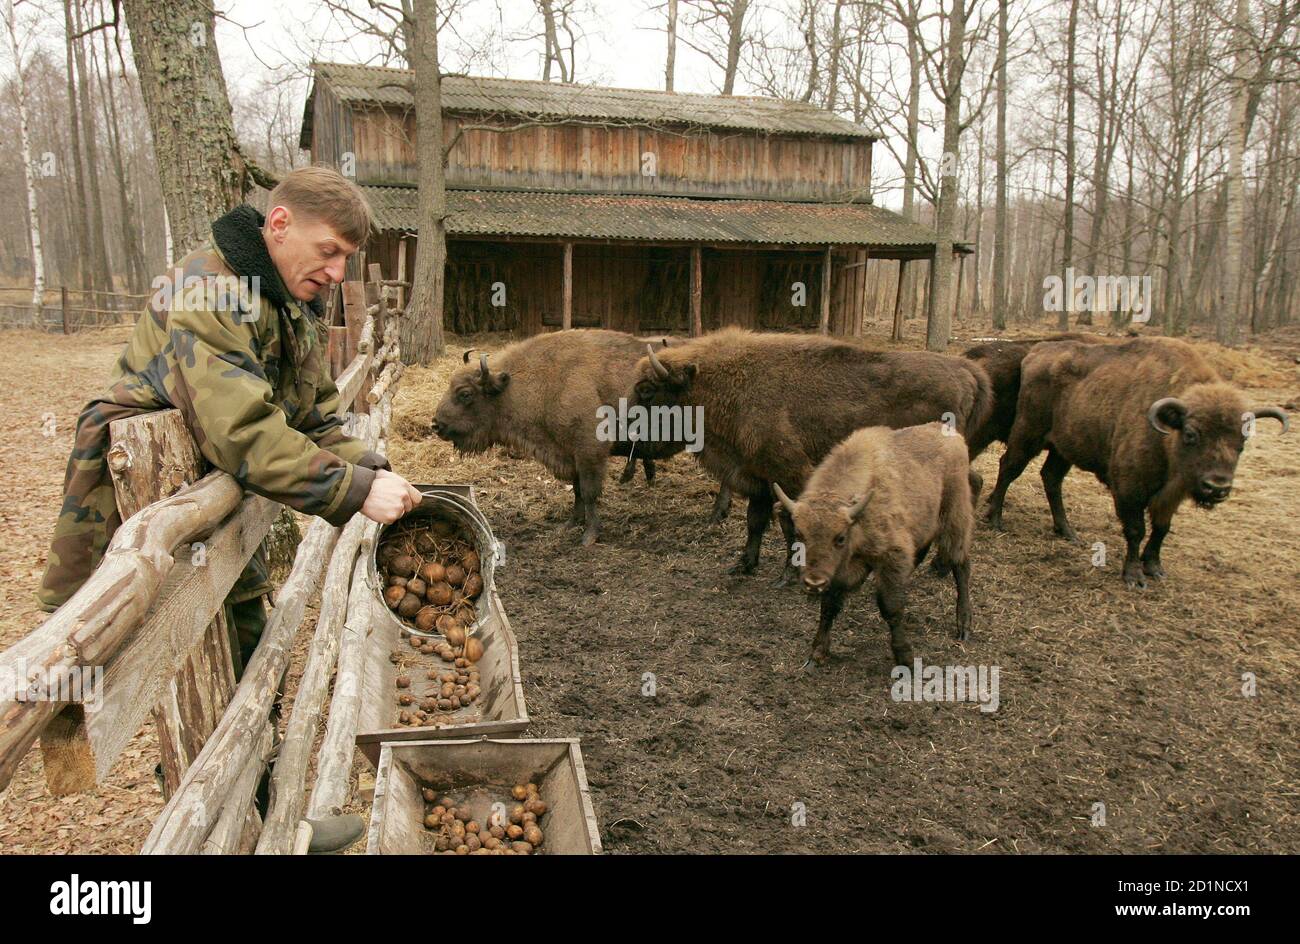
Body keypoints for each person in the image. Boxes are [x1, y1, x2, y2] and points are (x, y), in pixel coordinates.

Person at [35, 166, 422, 852]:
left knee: (245, 653)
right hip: (140, 503)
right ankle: (209, 824)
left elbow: (314, 416)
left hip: (213, 507)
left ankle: (268, 822)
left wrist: (375, 470)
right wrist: (354, 492)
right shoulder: (210, 289)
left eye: (346, 259)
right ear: (279, 225)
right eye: (329, 251)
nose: (337, 272)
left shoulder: (284, 299)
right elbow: (240, 429)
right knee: (155, 666)